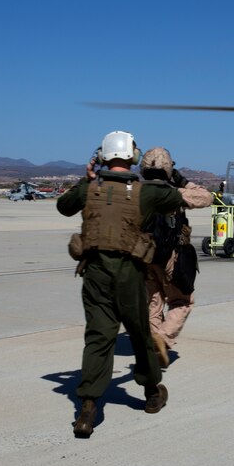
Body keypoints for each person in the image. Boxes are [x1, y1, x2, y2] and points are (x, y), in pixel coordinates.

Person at [57, 131, 186, 438]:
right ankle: (152, 394)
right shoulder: (145, 192)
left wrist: (87, 178)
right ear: (133, 157)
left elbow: (64, 206)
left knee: (99, 337)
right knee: (140, 334)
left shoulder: (88, 188)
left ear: (102, 156)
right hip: (130, 273)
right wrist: (171, 176)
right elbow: (176, 198)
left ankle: (87, 409)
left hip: (95, 272)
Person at [140, 147, 213, 368]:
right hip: (170, 256)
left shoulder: (135, 192)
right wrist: (183, 181)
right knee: (182, 301)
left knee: (153, 304)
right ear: (168, 169)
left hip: (144, 257)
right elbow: (207, 197)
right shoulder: (175, 194)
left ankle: (153, 348)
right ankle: (163, 338)